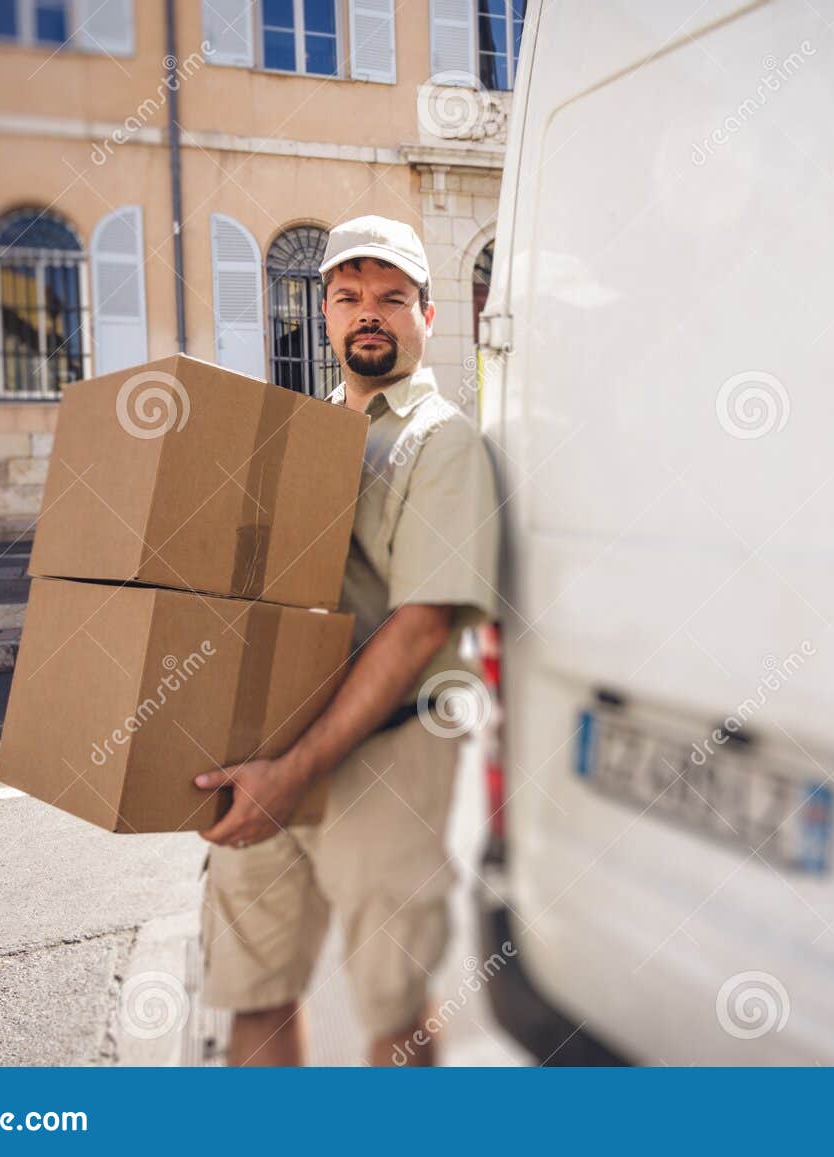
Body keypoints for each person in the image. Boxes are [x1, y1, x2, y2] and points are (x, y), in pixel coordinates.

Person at [192, 216, 499, 1066]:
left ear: (428, 317)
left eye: (393, 298)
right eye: (349, 296)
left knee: (391, 1013)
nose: (370, 313)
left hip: (388, 754)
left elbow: (421, 626)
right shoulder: (293, 437)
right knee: (255, 990)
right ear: (324, 313)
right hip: (267, 749)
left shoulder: (445, 442)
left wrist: (291, 774)